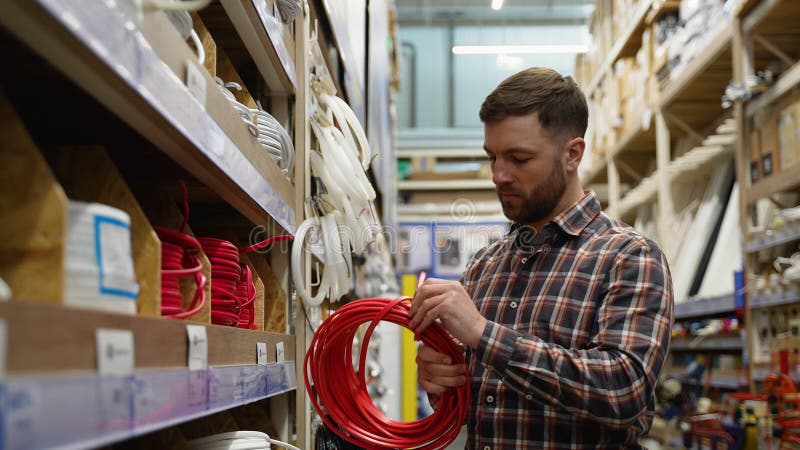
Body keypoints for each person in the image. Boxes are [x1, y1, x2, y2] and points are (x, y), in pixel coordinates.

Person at [408, 67, 673, 449]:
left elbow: (624, 390)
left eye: (518, 158)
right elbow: (482, 407)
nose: (499, 175)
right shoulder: (484, 268)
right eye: (492, 157)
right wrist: (441, 381)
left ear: (572, 154)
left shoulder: (629, 257)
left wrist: (484, 335)